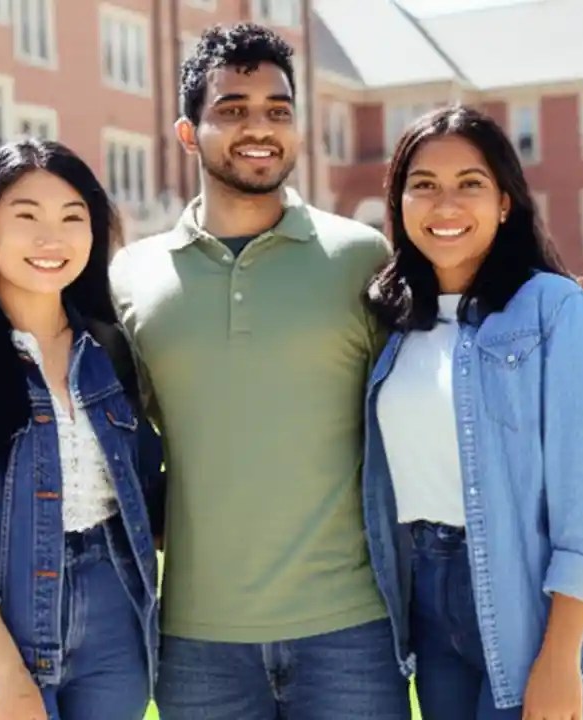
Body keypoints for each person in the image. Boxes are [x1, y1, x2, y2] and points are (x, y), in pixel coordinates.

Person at [109, 23, 410, 720]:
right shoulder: (132, 277)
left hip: (351, 634)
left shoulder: (361, 258)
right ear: (188, 134)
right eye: (233, 110)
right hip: (196, 643)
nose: (260, 129)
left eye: (278, 110)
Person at [361, 106, 583, 720]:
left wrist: (561, 654)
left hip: (533, 605)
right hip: (427, 600)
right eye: (423, 185)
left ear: (505, 202)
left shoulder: (556, 312)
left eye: (471, 184)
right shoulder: (397, 323)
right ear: (400, 203)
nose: (446, 204)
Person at [0, 138, 164, 720]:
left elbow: (146, 492)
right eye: (27, 217)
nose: (53, 238)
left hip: (115, 612)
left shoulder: (108, 351)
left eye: (74, 218)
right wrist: (4, 667)